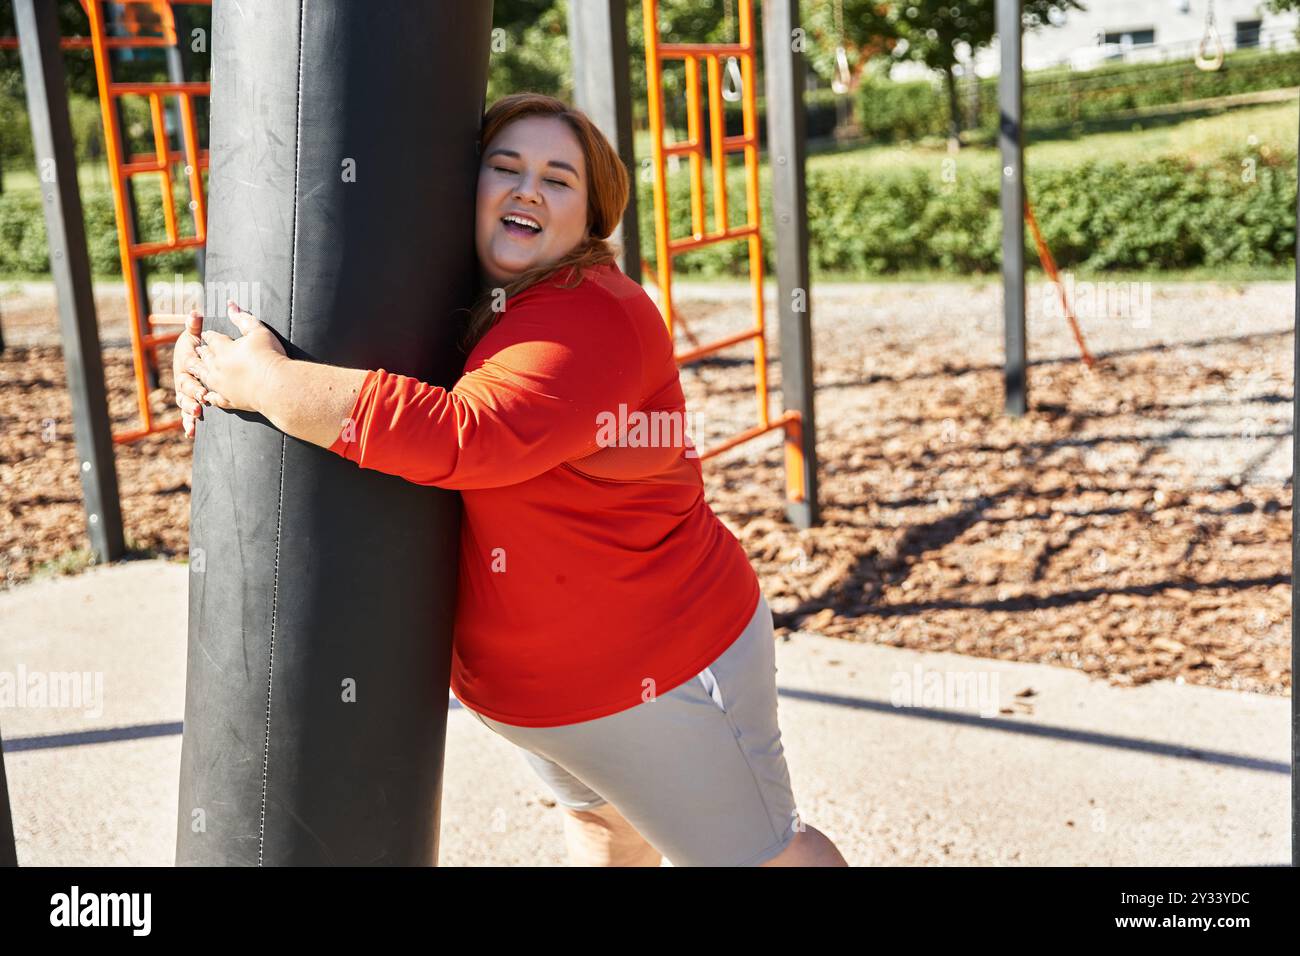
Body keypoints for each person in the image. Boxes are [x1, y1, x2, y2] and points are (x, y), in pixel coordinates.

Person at [173, 92, 846, 868]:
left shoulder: (594, 316)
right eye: (507, 167)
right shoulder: (453, 294)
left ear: (590, 219)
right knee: (607, 831)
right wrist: (213, 363)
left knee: (770, 856)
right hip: (539, 695)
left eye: (559, 180)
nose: (529, 189)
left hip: (661, 670)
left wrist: (268, 386)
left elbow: (468, 435)